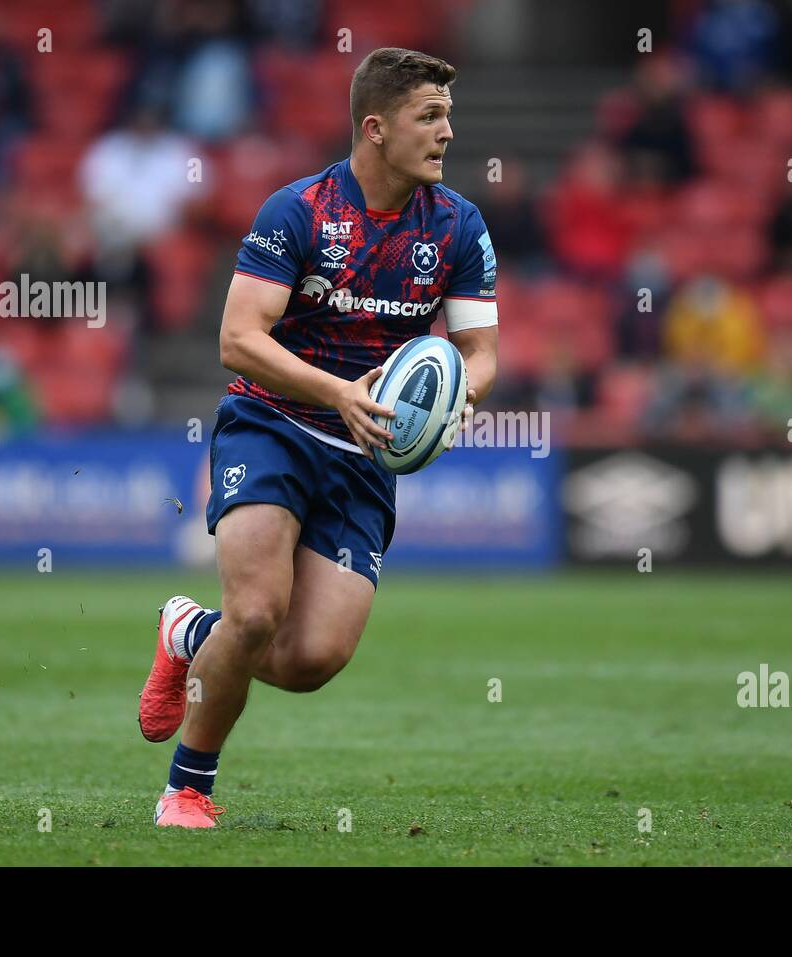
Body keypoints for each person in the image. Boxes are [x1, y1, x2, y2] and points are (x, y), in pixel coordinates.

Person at [137, 48, 500, 828]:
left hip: (365, 455)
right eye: (429, 117)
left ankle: (190, 630)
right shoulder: (299, 211)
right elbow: (238, 339)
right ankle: (187, 789)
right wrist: (338, 391)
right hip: (271, 424)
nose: (446, 133)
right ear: (376, 128)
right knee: (256, 613)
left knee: (311, 661)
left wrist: (461, 395)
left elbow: (481, 350)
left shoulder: (459, 226)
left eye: (447, 117)